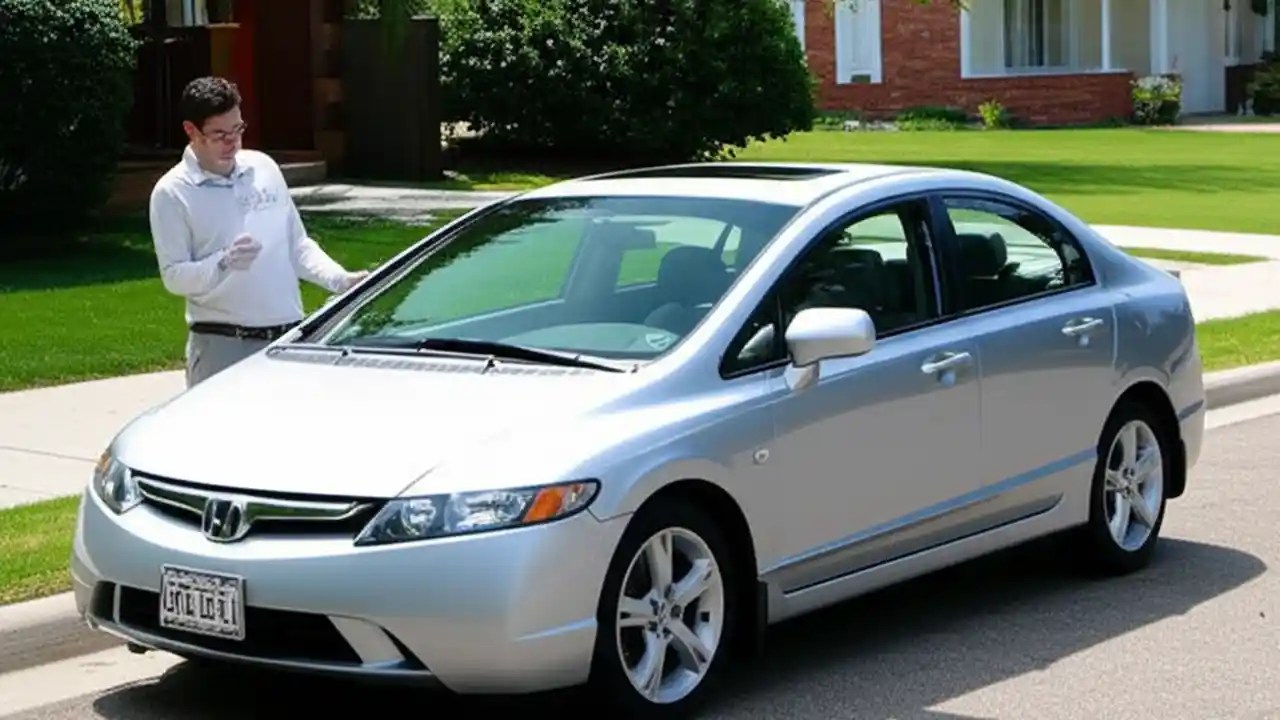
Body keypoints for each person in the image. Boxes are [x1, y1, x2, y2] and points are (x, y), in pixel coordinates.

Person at [148, 76, 367, 388]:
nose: (232, 143)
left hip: (288, 340)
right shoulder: (172, 192)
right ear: (191, 131)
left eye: (238, 129)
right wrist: (222, 262)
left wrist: (339, 279)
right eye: (219, 134)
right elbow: (173, 276)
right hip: (223, 345)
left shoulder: (263, 168)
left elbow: (297, 245)